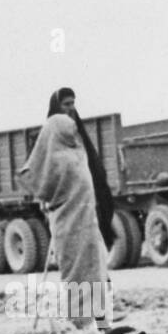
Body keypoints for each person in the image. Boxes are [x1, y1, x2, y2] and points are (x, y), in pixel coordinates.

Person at [20, 113, 112, 329]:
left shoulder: (64, 156)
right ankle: (85, 321)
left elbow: (40, 188)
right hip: (77, 225)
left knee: (91, 272)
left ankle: (98, 320)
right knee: (84, 273)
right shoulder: (67, 159)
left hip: (82, 223)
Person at [48, 87, 117, 250]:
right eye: (66, 104)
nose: (71, 108)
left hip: (88, 204)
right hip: (67, 208)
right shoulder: (51, 135)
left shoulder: (77, 132)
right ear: (57, 107)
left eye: (73, 103)